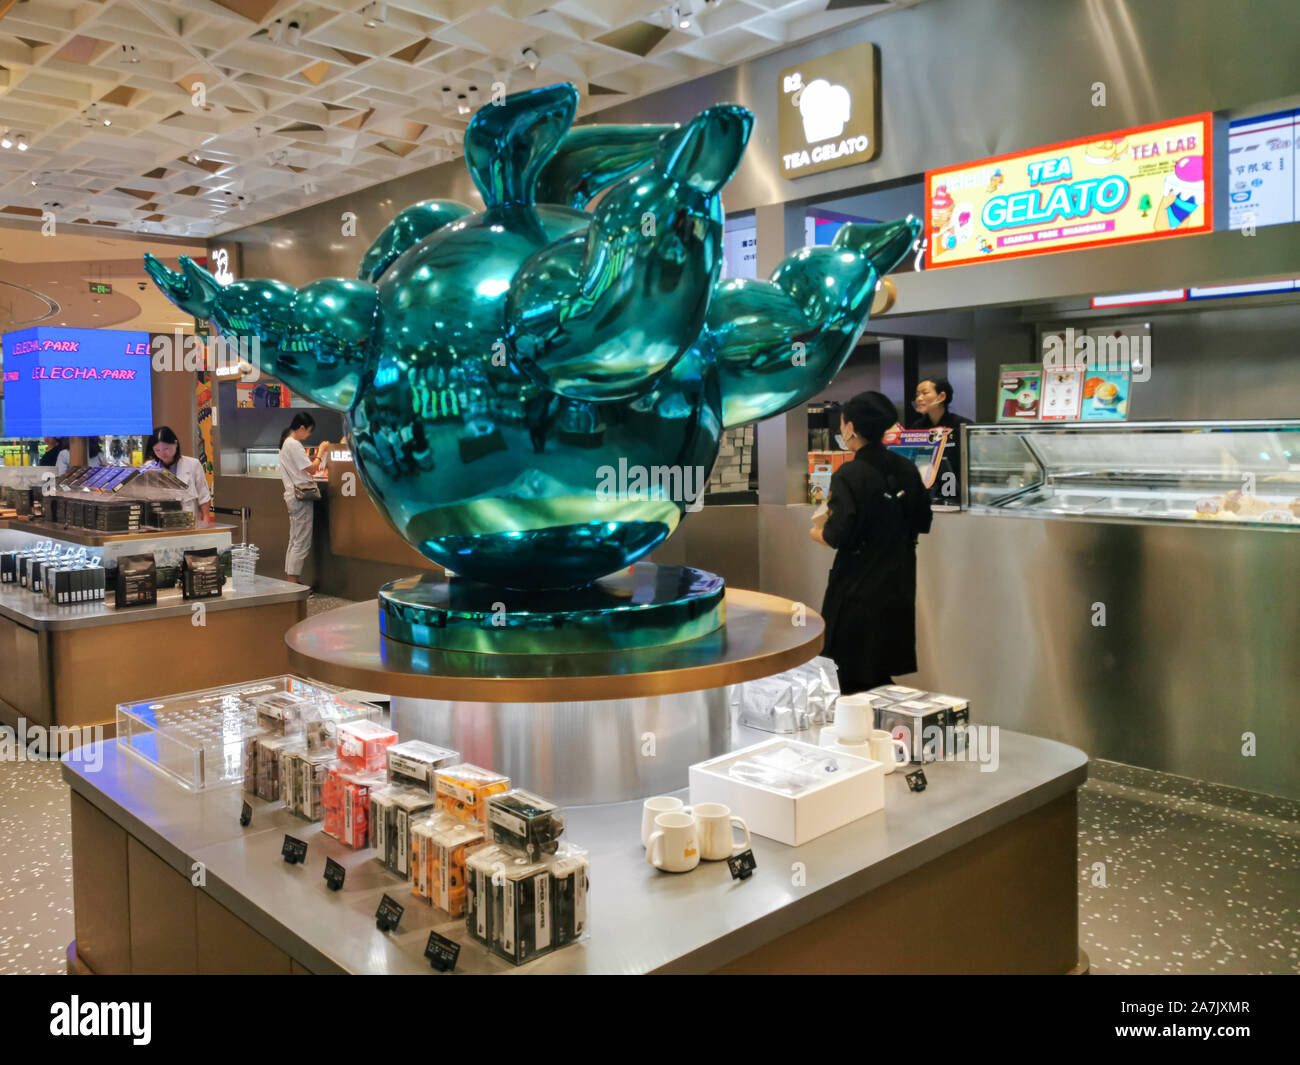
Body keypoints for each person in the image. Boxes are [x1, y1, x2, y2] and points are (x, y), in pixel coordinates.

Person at [812, 392, 933, 694]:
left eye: (842, 424)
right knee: (877, 672)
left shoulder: (849, 474)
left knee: (848, 675)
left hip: (857, 589)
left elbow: (836, 535)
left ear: (851, 428)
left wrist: (816, 533)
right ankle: (891, 732)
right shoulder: (905, 467)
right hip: (898, 584)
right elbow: (922, 520)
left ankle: (865, 735)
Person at [910, 377, 973, 503]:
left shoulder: (962, 425)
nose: (919, 399)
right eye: (917, 395)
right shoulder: (917, 427)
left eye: (925, 393)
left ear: (942, 396)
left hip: (959, 494)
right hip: (927, 493)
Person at [279, 412, 324, 584]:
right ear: (302, 428)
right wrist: (321, 451)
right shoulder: (293, 444)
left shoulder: (286, 443)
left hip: (292, 497)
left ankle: (291, 581)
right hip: (300, 498)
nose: (308, 435)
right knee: (301, 543)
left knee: (295, 540)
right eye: (308, 431)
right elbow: (311, 470)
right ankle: (293, 583)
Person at [144, 425, 212, 522]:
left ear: (175, 444)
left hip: (188, 520)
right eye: (157, 450)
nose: (162, 453)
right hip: (160, 521)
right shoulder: (149, 467)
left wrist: (206, 522)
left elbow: (203, 496)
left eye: (166, 449)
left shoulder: (193, 464)